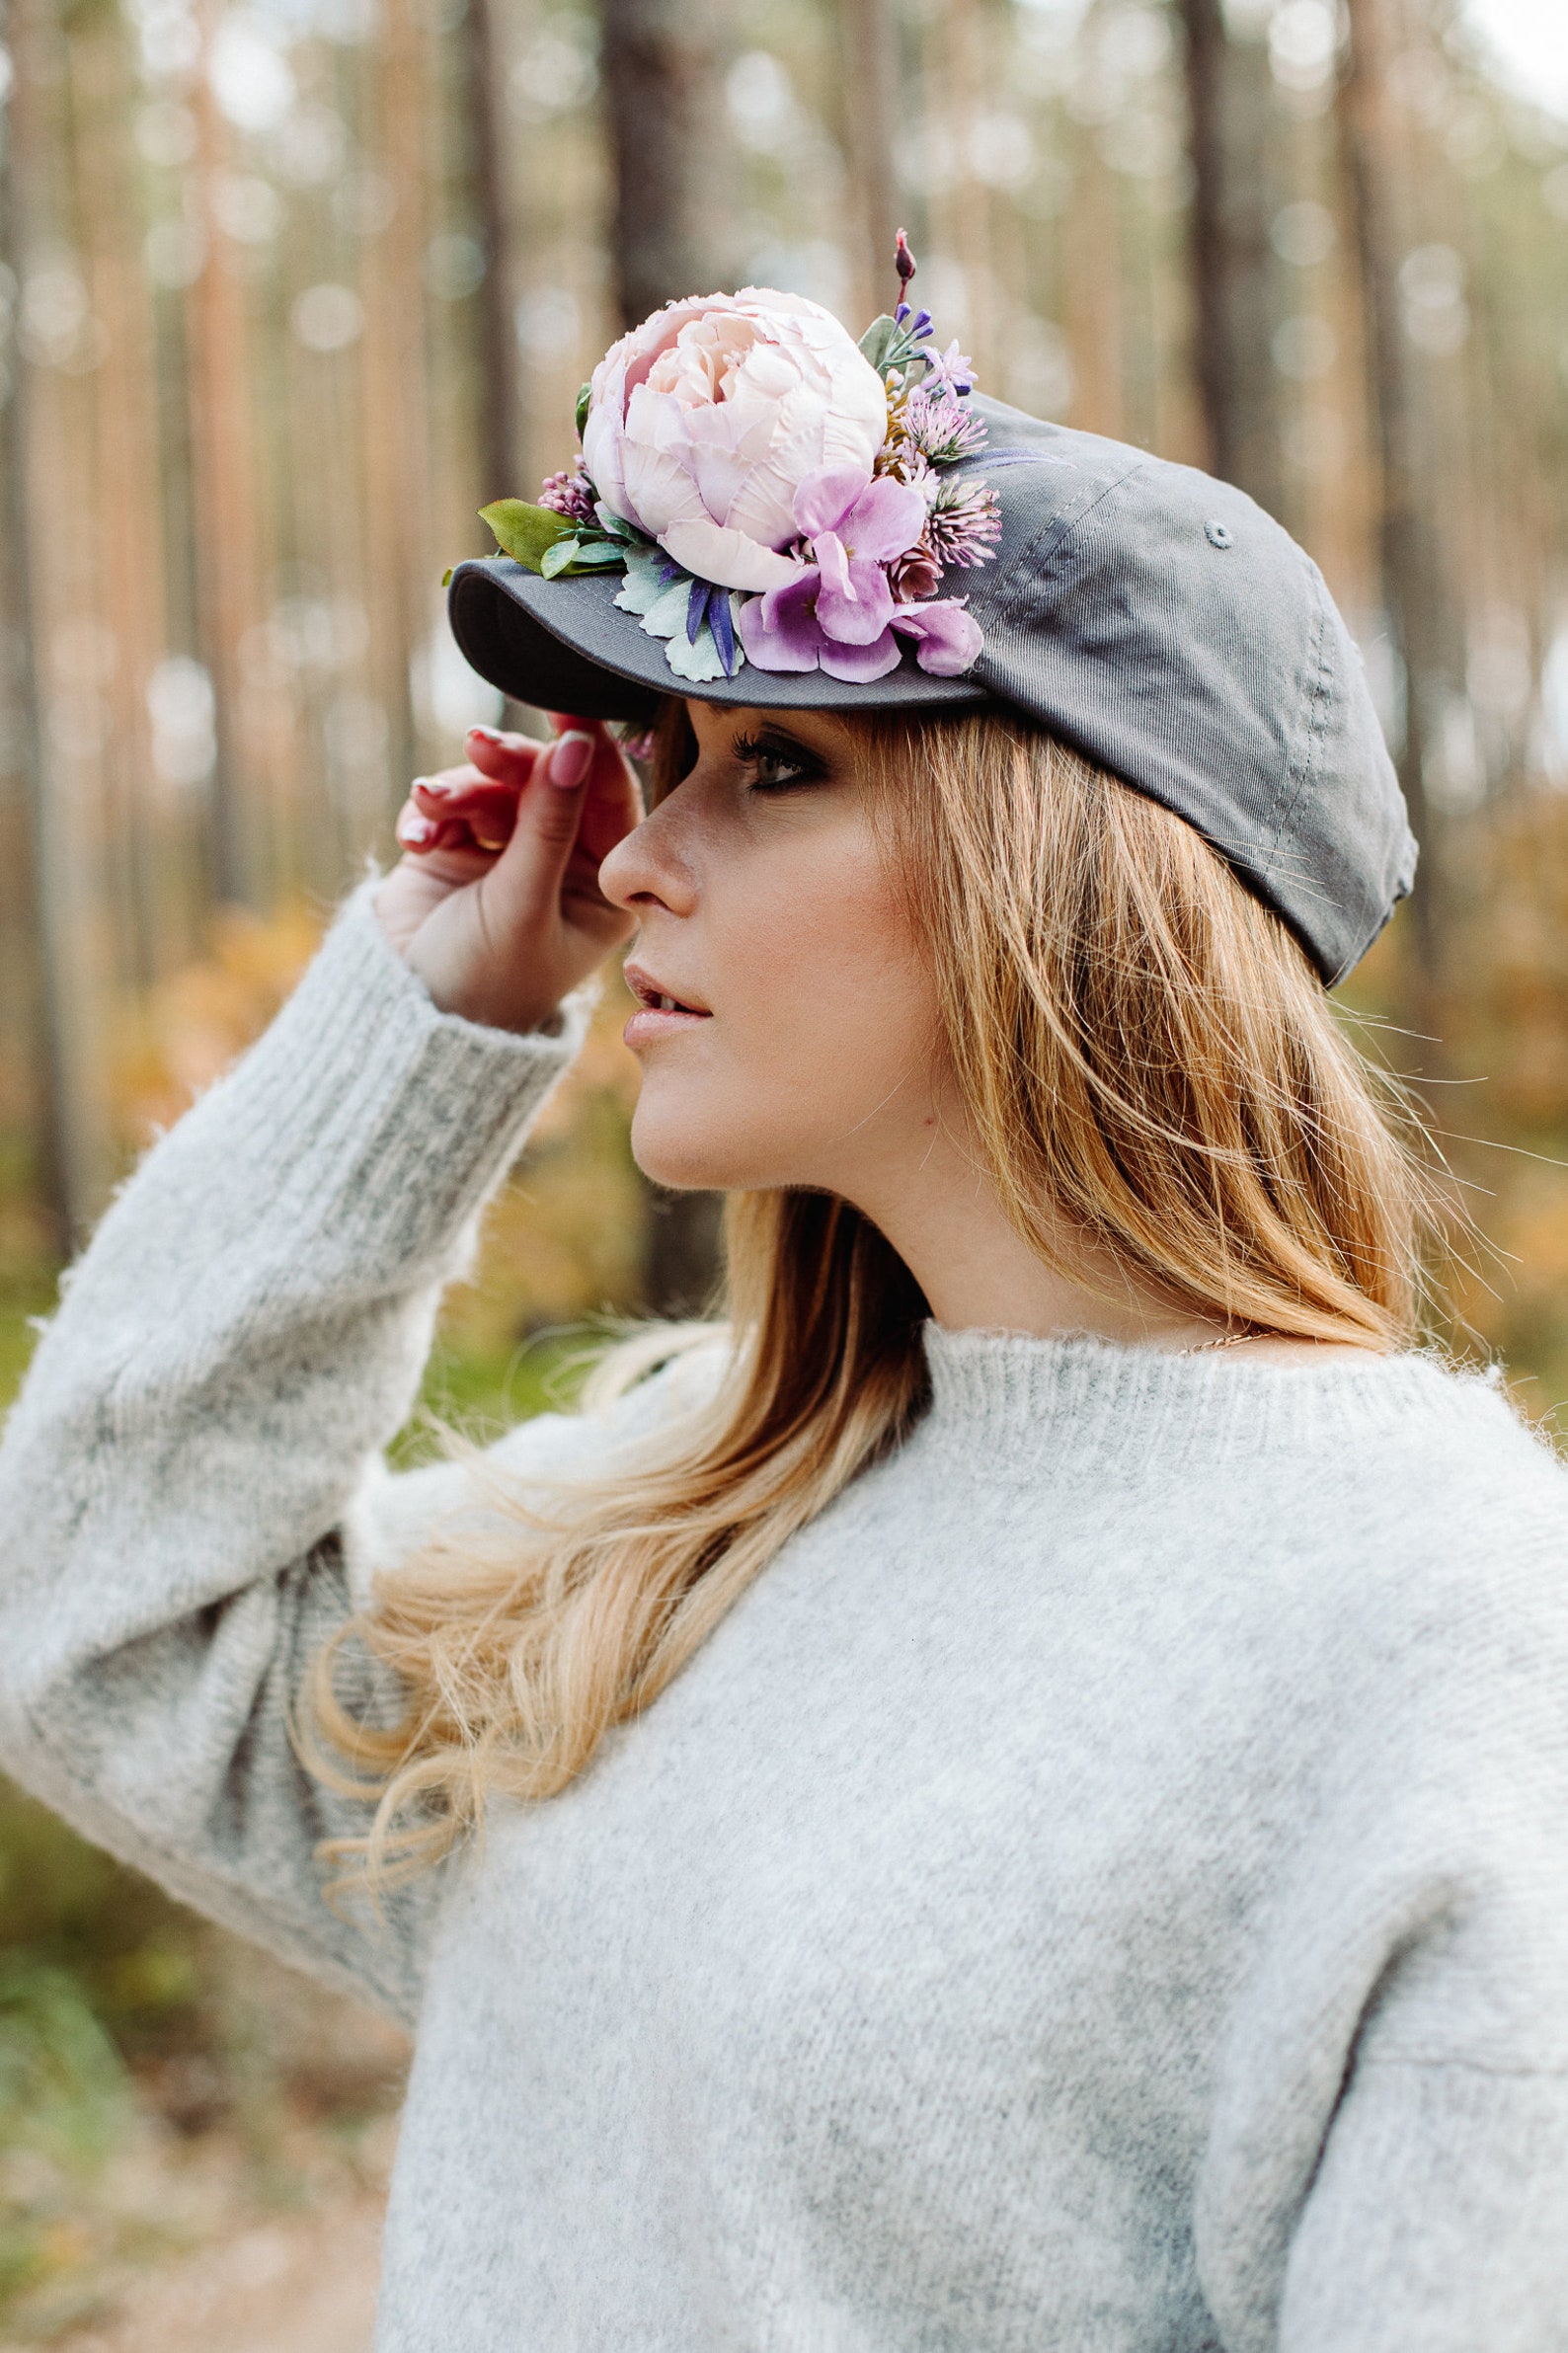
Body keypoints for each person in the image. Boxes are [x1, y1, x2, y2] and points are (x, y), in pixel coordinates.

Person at [2, 265, 1567, 2353]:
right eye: (668, 758)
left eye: (779, 768)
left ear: (1060, 876)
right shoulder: (683, 1517)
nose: (636, 854)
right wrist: (424, 1014)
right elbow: (98, 1622)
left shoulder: (1435, 1622)